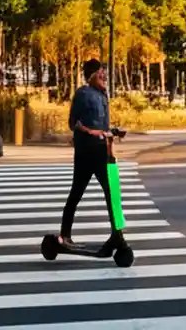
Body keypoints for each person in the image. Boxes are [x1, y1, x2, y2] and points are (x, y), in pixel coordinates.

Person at [57, 58, 123, 252]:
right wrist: (89, 131)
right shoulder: (82, 94)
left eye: (104, 73)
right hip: (86, 151)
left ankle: (117, 234)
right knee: (77, 192)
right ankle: (65, 235)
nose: (104, 77)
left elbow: (102, 126)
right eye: (100, 73)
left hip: (102, 150)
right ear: (92, 76)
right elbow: (73, 123)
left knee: (113, 192)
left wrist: (113, 131)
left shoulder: (103, 96)